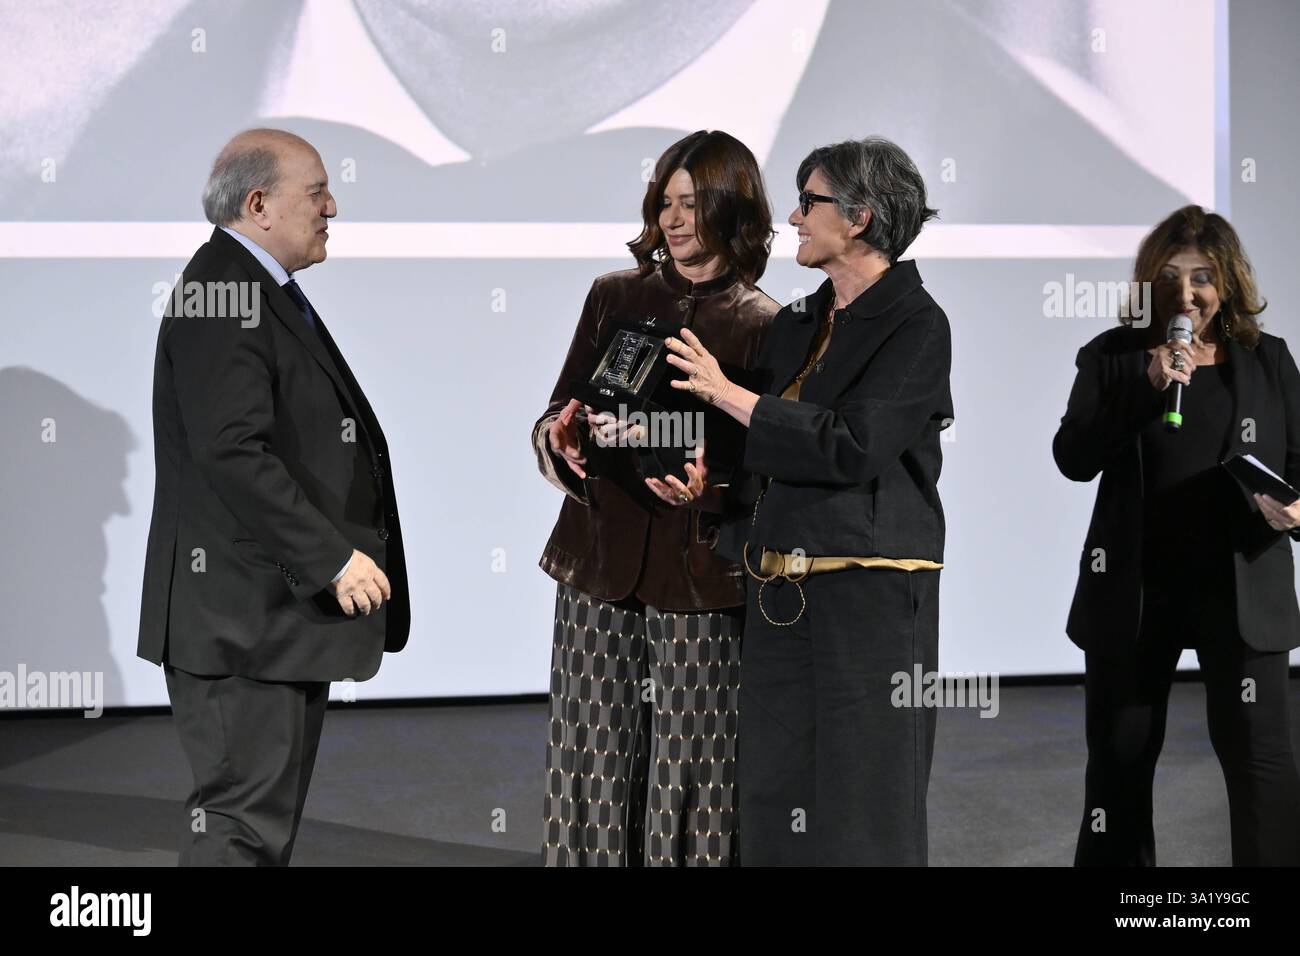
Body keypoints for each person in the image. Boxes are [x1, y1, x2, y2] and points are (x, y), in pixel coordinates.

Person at [665, 136, 952, 865]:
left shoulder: (918, 325)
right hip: (777, 590)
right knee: (775, 795)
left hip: (873, 593)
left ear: (858, 217)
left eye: (810, 201)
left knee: (868, 800)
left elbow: (853, 445)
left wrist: (727, 394)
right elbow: (764, 446)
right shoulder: (798, 322)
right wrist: (709, 481)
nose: (792, 216)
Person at [137, 128, 409, 866]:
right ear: (258, 203)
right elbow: (231, 450)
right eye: (317, 192)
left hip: (266, 622)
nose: (333, 206)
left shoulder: (248, 286)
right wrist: (330, 559)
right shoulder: (225, 291)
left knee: (256, 828)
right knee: (242, 830)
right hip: (243, 622)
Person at [532, 130, 779, 865]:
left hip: (700, 575)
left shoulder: (767, 324)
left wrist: (716, 488)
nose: (673, 220)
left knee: (693, 767)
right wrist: (561, 438)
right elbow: (554, 415)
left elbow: (766, 471)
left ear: (731, 210)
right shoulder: (613, 295)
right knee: (589, 762)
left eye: (692, 203)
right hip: (597, 561)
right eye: (664, 203)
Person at [1054, 205, 1300, 866]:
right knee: (1119, 768)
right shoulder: (1114, 358)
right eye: (1169, 279)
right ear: (1148, 286)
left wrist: (1294, 508)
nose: (1186, 295)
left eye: (1202, 278)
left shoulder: (1268, 362)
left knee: (1264, 765)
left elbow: (1299, 470)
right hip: (1137, 595)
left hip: (1241, 589)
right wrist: (1147, 384)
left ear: (1228, 283)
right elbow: (1073, 457)